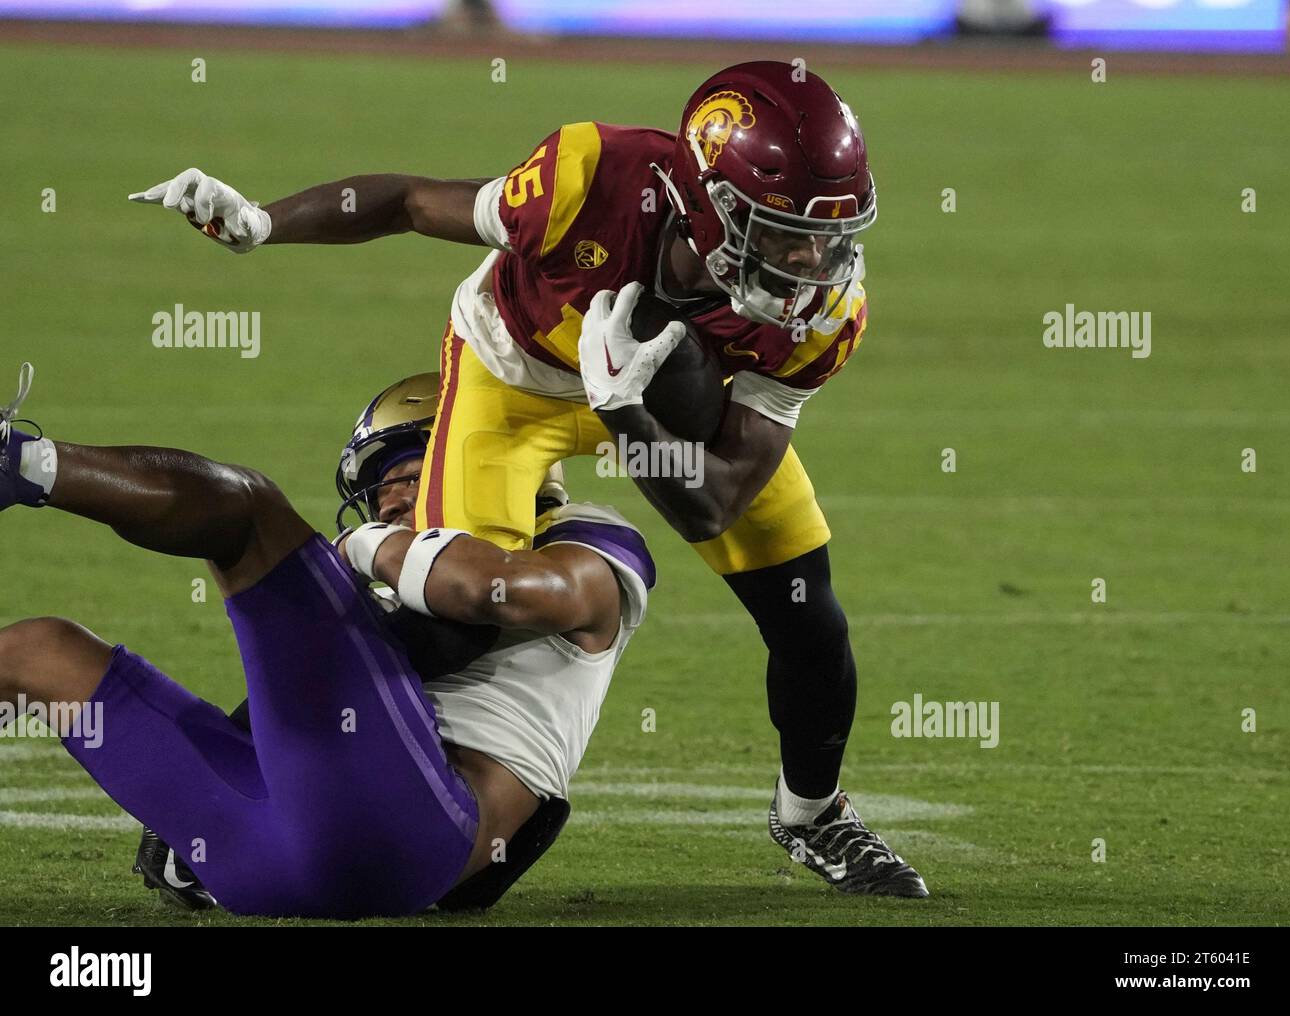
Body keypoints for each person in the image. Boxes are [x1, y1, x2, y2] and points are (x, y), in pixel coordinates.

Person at [129, 60, 927, 896]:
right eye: (785, 229)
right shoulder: (590, 177)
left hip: (672, 412)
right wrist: (263, 221)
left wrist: (624, 408)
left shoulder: (824, 312)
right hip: (515, 377)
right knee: (451, 620)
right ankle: (227, 767)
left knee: (808, 616)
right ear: (709, 203)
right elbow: (409, 202)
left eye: (830, 232)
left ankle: (813, 814)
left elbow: (713, 503)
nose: (814, 259)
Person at [0, 365, 654, 917]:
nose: (392, 502)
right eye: (381, 488)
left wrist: (366, 544)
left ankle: (21, 463)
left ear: (482, 463)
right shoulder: (394, 573)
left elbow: (491, 590)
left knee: (253, 513)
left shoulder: (581, 539)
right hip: (262, 861)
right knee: (36, 651)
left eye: (411, 474)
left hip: (416, 835)